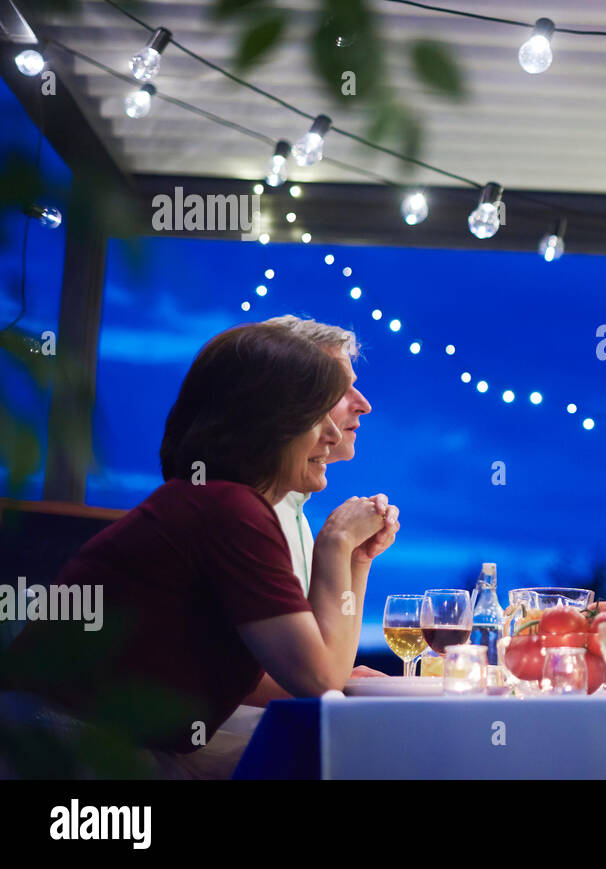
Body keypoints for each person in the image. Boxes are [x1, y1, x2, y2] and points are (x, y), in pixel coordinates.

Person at [2, 324, 399, 775]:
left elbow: (319, 670)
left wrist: (356, 557)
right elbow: (319, 680)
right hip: (60, 750)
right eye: (313, 415)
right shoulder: (228, 509)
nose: (330, 435)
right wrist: (336, 542)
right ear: (266, 421)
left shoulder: (218, 501)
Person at [262, 315, 372, 596]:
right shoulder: (253, 519)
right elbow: (308, 643)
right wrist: (338, 541)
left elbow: (334, 640)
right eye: (337, 389)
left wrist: (358, 557)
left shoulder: (292, 508)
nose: (364, 405)